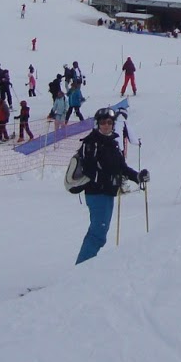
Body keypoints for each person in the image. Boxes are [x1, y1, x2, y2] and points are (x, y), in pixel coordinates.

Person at [74, 108, 148, 264]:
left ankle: (84, 266)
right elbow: (89, 170)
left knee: (99, 233)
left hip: (108, 193)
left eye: (109, 122)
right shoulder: (91, 143)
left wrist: (137, 176)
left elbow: (121, 167)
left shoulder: (113, 143)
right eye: (102, 122)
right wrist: (109, 179)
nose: (106, 126)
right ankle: (81, 268)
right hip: (96, 193)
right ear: (97, 124)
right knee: (98, 234)